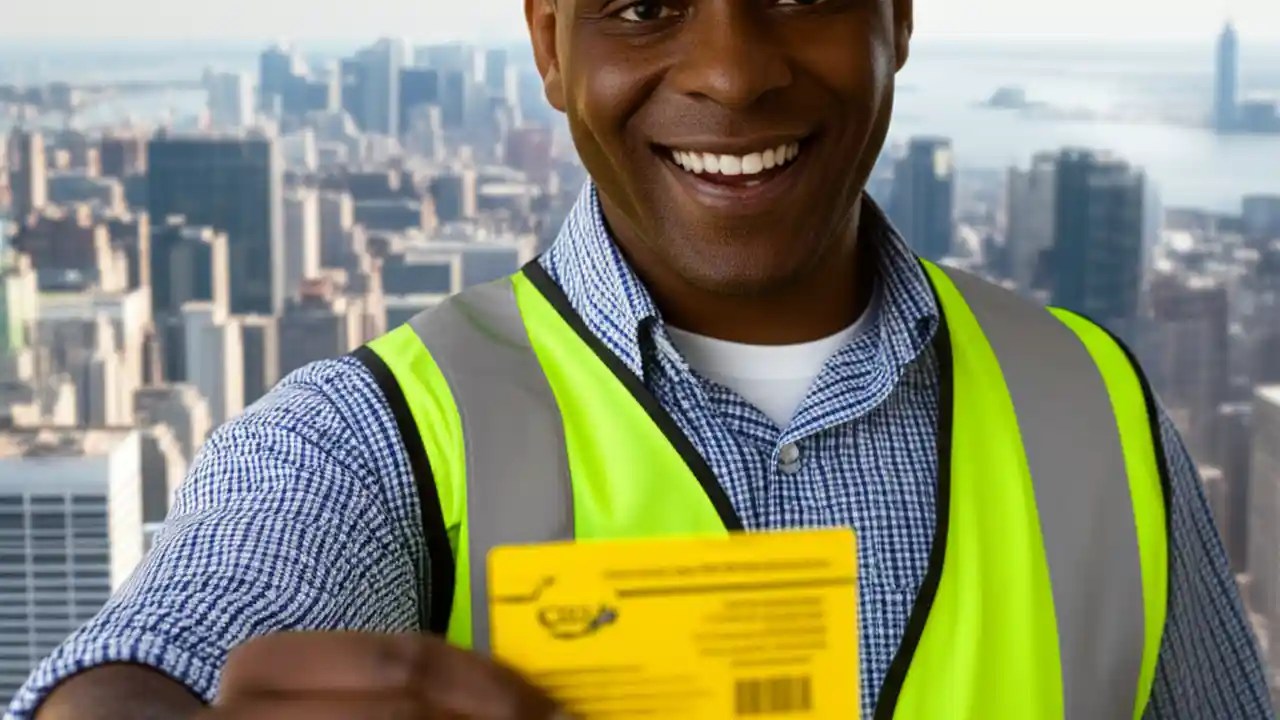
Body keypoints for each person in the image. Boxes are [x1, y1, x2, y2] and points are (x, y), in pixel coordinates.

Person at [9, 0, 1272, 717]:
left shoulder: (1092, 403)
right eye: (639, 5)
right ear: (550, 46)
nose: (729, 69)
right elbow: (168, 648)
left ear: (894, 17)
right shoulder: (374, 436)